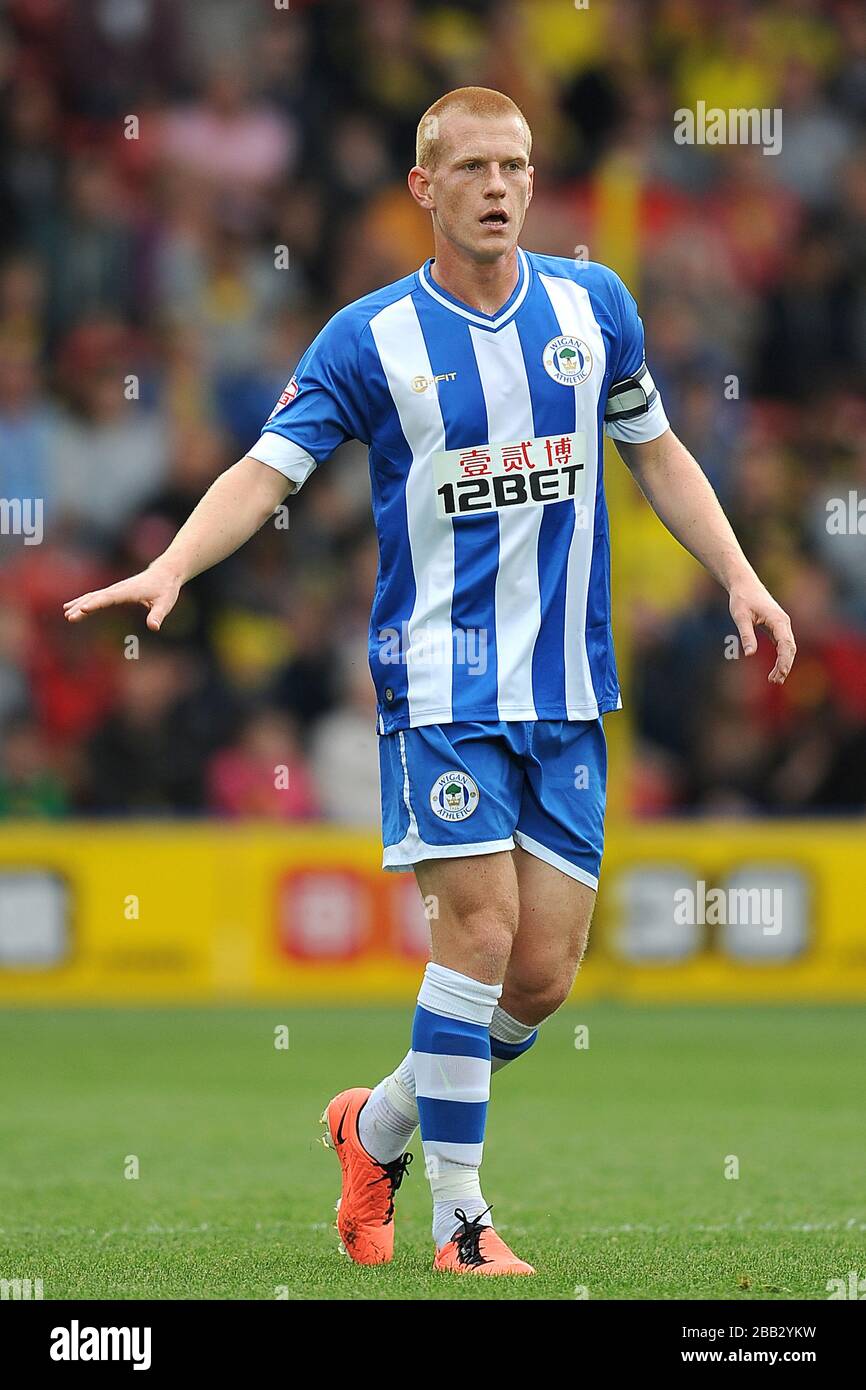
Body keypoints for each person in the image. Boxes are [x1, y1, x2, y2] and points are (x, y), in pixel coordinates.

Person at [64, 86, 797, 1277]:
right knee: (477, 930)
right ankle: (459, 1221)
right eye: (471, 169)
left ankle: (373, 1125)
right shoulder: (366, 339)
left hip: (563, 687)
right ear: (424, 190)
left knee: (543, 977)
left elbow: (654, 448)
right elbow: (265, 470)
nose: (499, 187)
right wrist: (172, 563)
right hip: (439, 686)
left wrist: (739, 577)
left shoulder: (592, 305)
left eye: (513, 165)